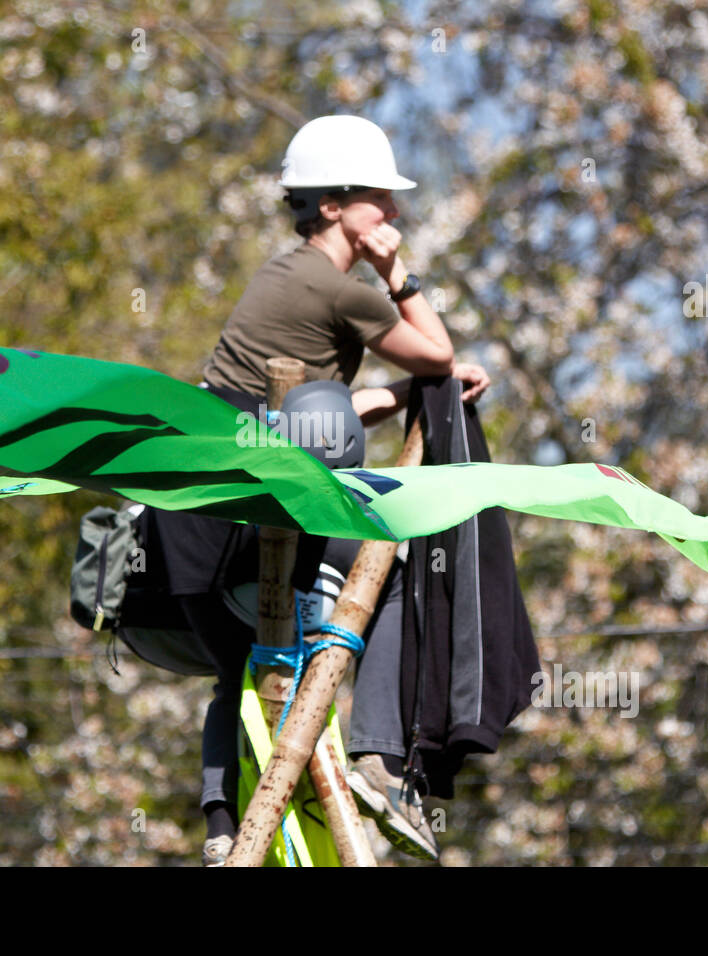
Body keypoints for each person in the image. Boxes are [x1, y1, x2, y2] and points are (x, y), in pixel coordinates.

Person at [150, 114, 489, 864]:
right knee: (393, 569)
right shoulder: (338, 289)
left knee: (237, 673)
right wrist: (399, 275)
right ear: (332, 205)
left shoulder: (283, 278)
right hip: (242, 517)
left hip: (188, 521)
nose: (393, 211)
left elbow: (322, 413)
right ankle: (378, 761)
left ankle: (221, 831)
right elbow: (436, 352)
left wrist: (406, 395)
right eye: (379, 198)